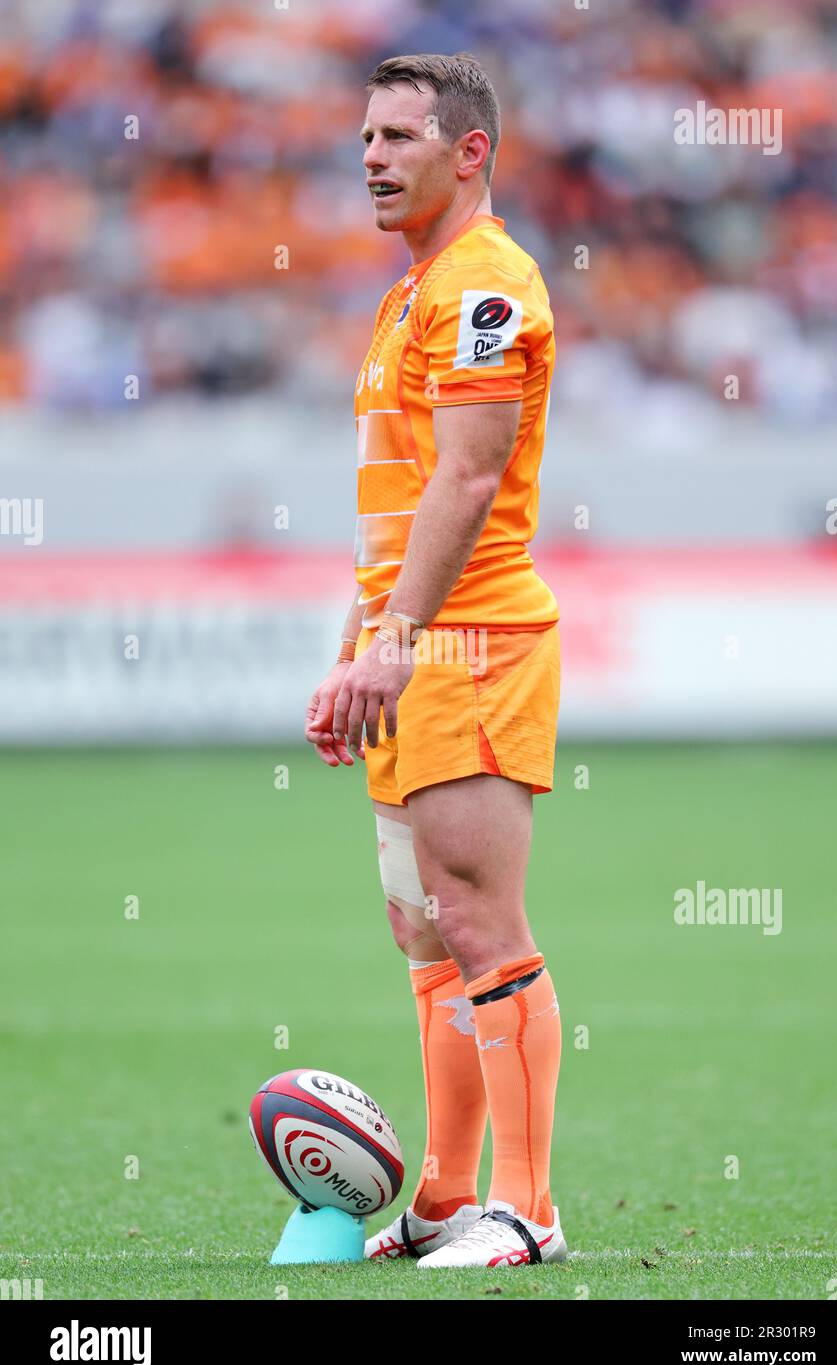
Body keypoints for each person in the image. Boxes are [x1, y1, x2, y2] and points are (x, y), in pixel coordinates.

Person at [305, 52, 565, 1269]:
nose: (370, 156)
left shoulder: (483, 286)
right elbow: (401, 503)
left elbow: (466, 478)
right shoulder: (408, 296)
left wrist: (396, 643)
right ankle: (449, 1198)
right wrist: (354, 652)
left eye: (399, 135)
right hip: (409, 653)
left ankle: (527, 1211)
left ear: (468, 152)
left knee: (478, 918)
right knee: (423, 932)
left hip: (469, 643)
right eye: (365, 135)